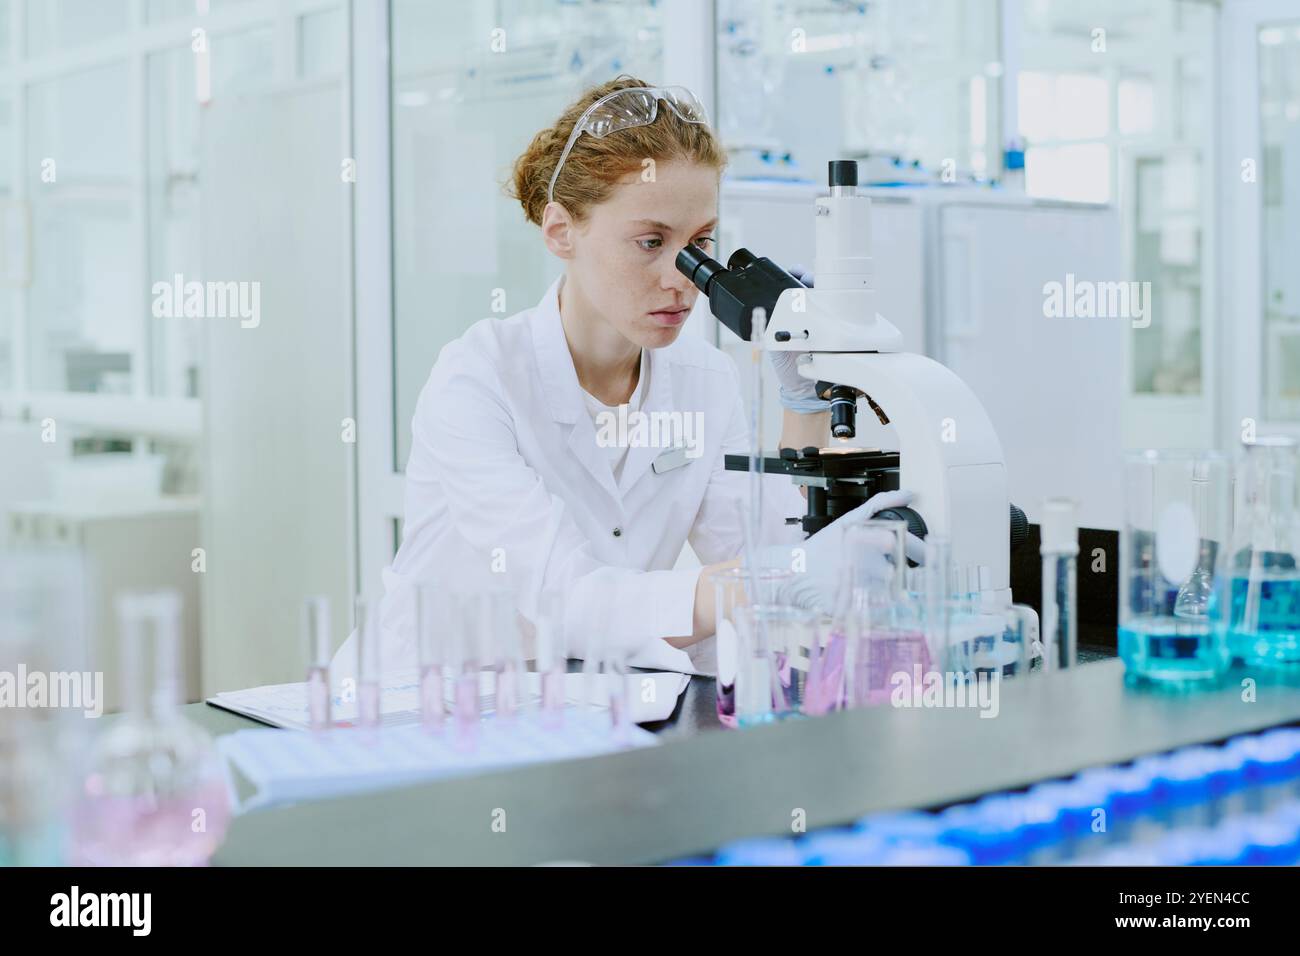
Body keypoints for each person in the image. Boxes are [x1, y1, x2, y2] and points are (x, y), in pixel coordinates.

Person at [333, 76, 912, 680]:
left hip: (583, 708)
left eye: (699, 243)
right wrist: (780, 578)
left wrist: (806, 397)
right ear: (561, 231)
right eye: (649, 242)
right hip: (420, 708)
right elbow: (568, 597)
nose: (683, 277)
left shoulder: (704, 380)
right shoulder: (478, 378)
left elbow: (765, 558)